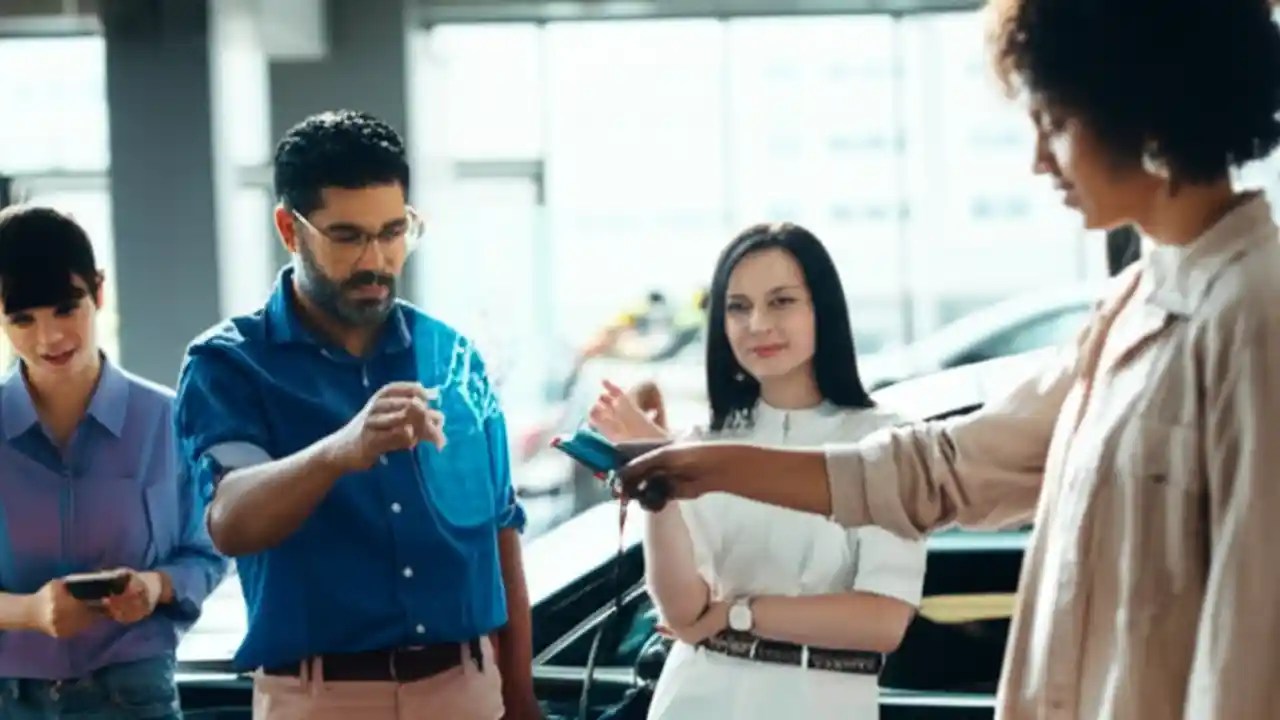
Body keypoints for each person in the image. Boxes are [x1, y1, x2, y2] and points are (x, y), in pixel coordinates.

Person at [620, 1, 1280, 718]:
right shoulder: (1131, 308)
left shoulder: (1255, 314)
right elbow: (944, 468)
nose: (1037, 158)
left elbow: (1253, 638)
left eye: (1054, 123)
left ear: (1146, 102)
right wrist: (710, 467)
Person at [172, 110, 538, 720]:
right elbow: (230, 519)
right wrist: (341, 450)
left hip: (467, 691)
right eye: (347, 237)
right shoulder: (230, 365)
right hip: (320, 700)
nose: (376, 260)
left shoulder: (452, 358)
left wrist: (522, 700)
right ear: (290, 229)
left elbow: (501, 535)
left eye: (394, 232)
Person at [592, 224, 926, 720]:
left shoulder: (886, 441)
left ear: (822, 308)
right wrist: (658, 476)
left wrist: (736, 613)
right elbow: (683, 615)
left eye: (782, 301)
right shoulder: (702, 443)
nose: (758, 324)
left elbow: (882, 620)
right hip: (694, 697)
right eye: (739, 307)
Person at [0, 205, 227, 718]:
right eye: (22, 319)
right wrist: (31, 613)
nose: (48, 337)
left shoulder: (169, 420)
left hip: (135, 695)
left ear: (98, 293)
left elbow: (211, 550)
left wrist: (155, 586)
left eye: (65, 309)